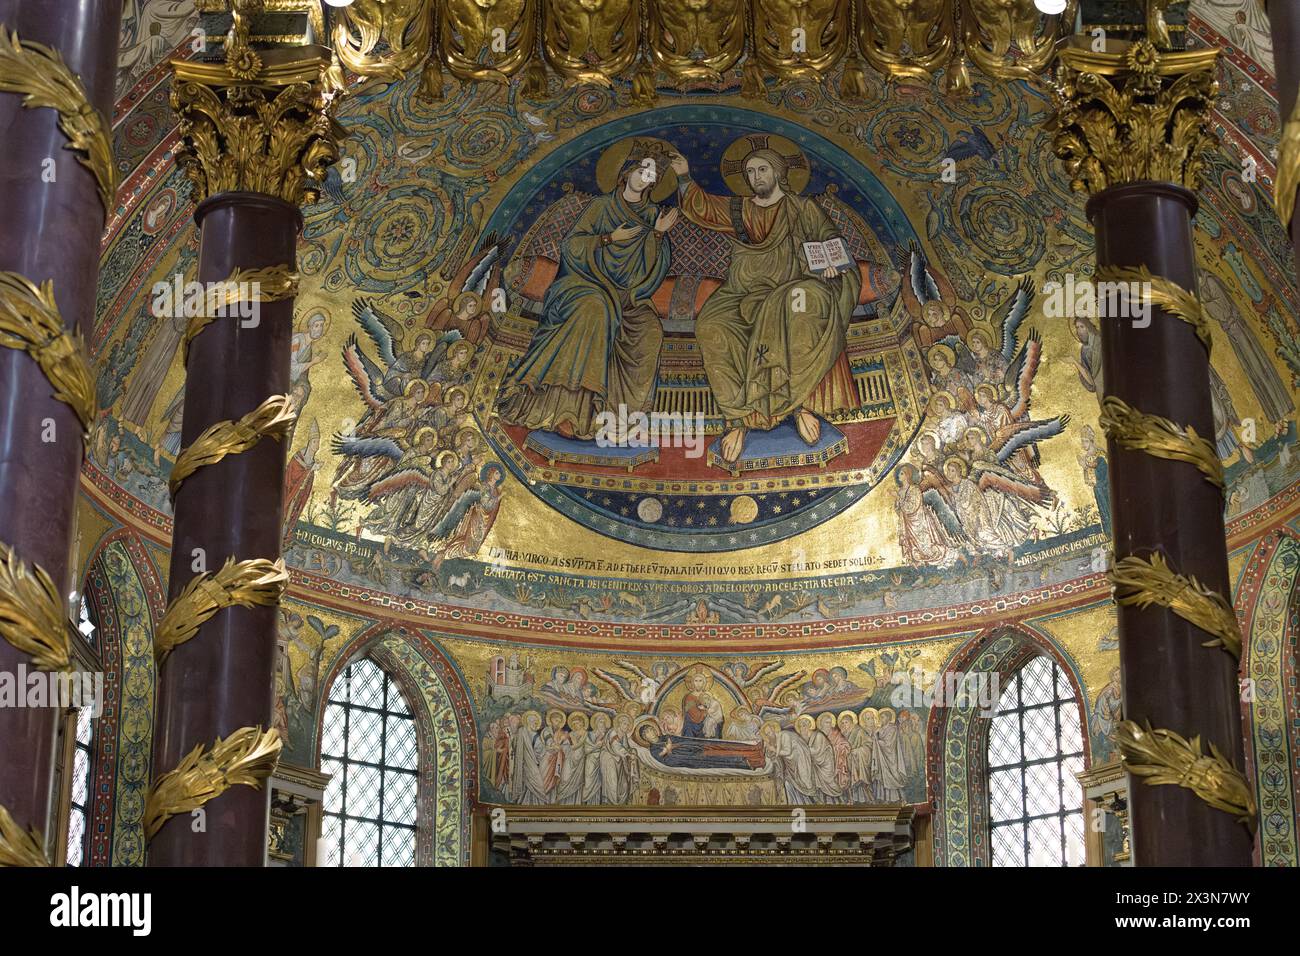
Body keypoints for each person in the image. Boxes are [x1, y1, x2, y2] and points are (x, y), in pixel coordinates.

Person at [672, 142, 861, 463]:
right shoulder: (739, 210)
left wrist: (833, 265)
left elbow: (832, 241)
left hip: (796, 285)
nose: (755, 176)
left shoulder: (803, 209)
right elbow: (702, 207)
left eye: (762, 169)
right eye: (749, 172)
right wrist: (683, 177)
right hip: (744, 291)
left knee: (797, 304)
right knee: (712, 324)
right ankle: (738, 418)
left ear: (777, 172)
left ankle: (796, 405)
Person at [498, 147, 677, 440]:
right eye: (640, 171)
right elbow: (571, 247)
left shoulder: (654, 217)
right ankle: (568, 410)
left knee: (649, 329)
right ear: (626, 173)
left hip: (627, 297)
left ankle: (617, 417)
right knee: (595, 309)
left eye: (650, 176)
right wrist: (608, 238)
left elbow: (651, 272)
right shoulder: (601, 207)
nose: (644, 178)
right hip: (582, 283)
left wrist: (656, 235)